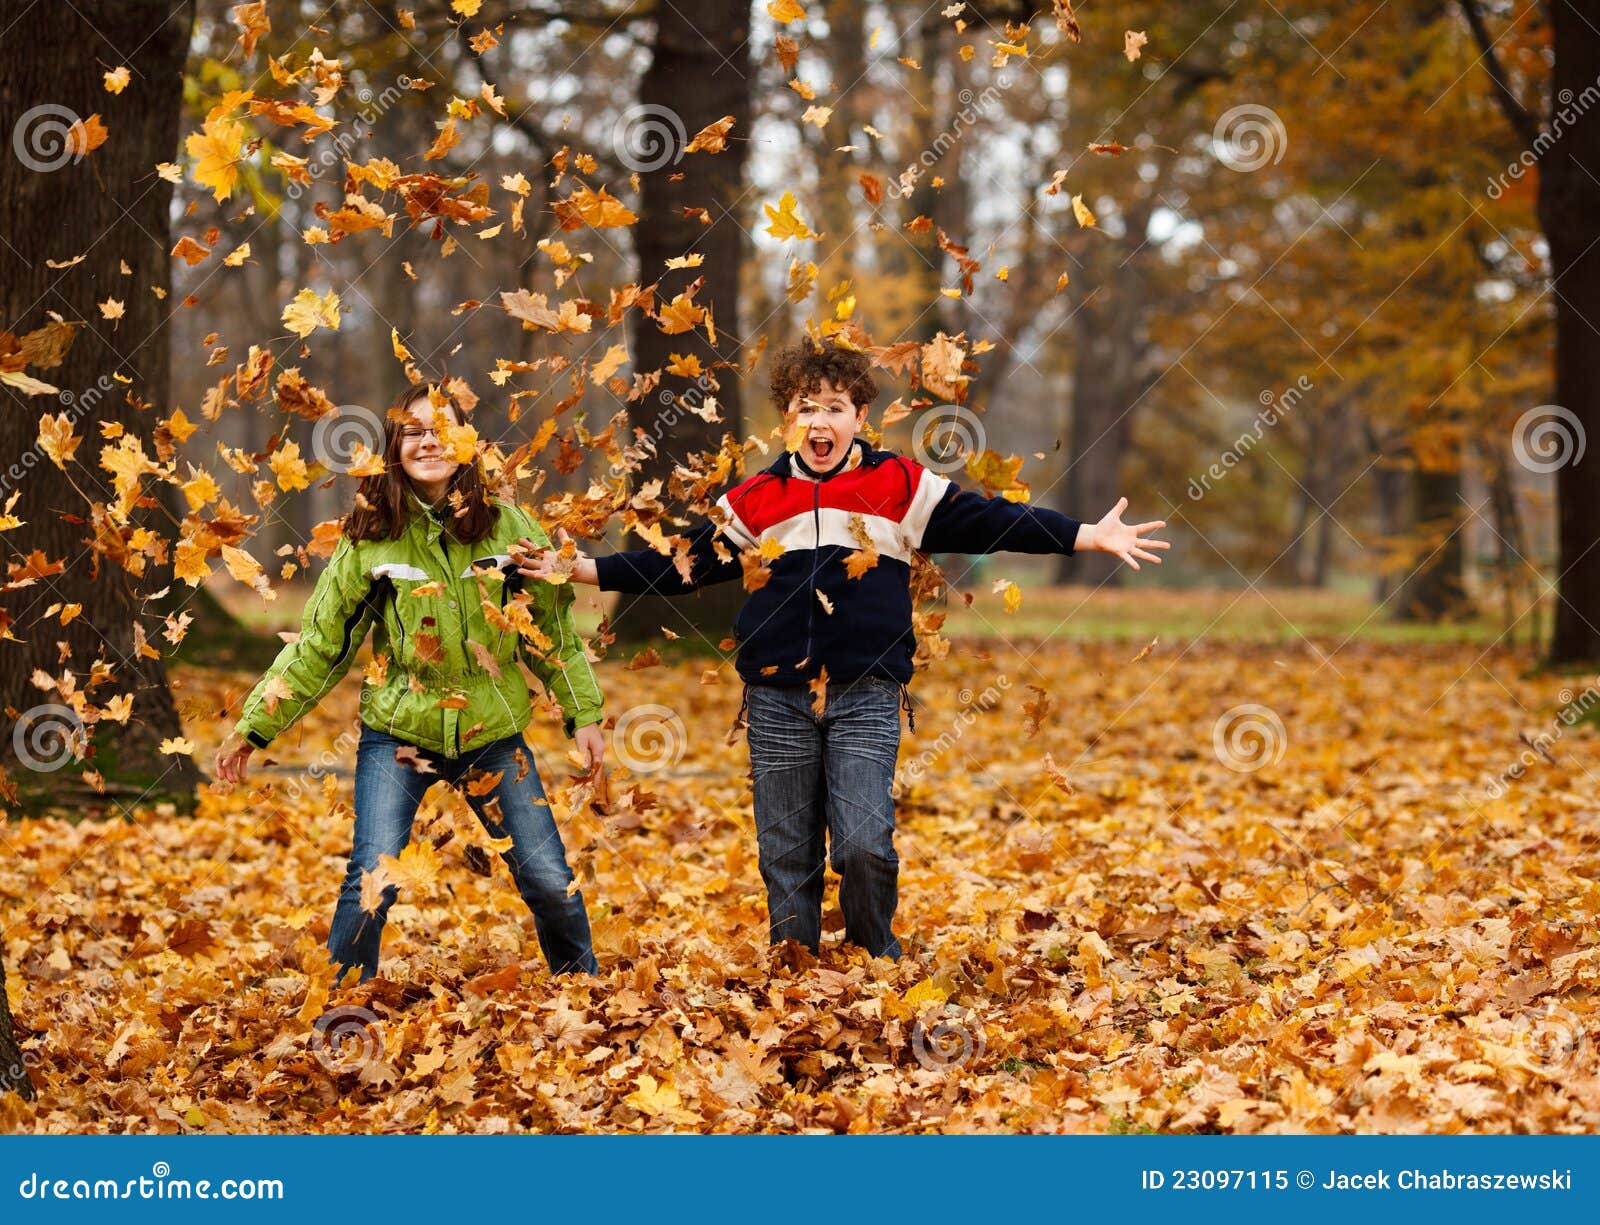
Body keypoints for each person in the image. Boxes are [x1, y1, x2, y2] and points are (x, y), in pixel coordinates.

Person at [516, 335, 1169, 960]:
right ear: (786, 420)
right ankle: (794, 971)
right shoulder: (756, 499)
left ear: (860, 414)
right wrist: (577, 570)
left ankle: (872, 954)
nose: (818, 420)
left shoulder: (901, 486)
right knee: (786, 853)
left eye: (833, 407)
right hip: (776, 696)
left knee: (864, 843)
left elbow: (991, 520)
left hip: (866, 691)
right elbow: (682, 562)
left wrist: (1085, 534)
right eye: (805, 407)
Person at [214, 382, 606, 983]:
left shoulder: (510, 527)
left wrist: (584, 716)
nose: (429, 441)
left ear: (469, 443)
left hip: (494, 734)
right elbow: (323, 642)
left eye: (444, 429)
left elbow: (549, 631)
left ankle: (587, 995)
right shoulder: (370, 535)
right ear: (394, 445)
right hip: (399, 735)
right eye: (415, 430)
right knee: (371, 881)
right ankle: (342, 1013)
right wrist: (254, 726)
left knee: (551, 880)